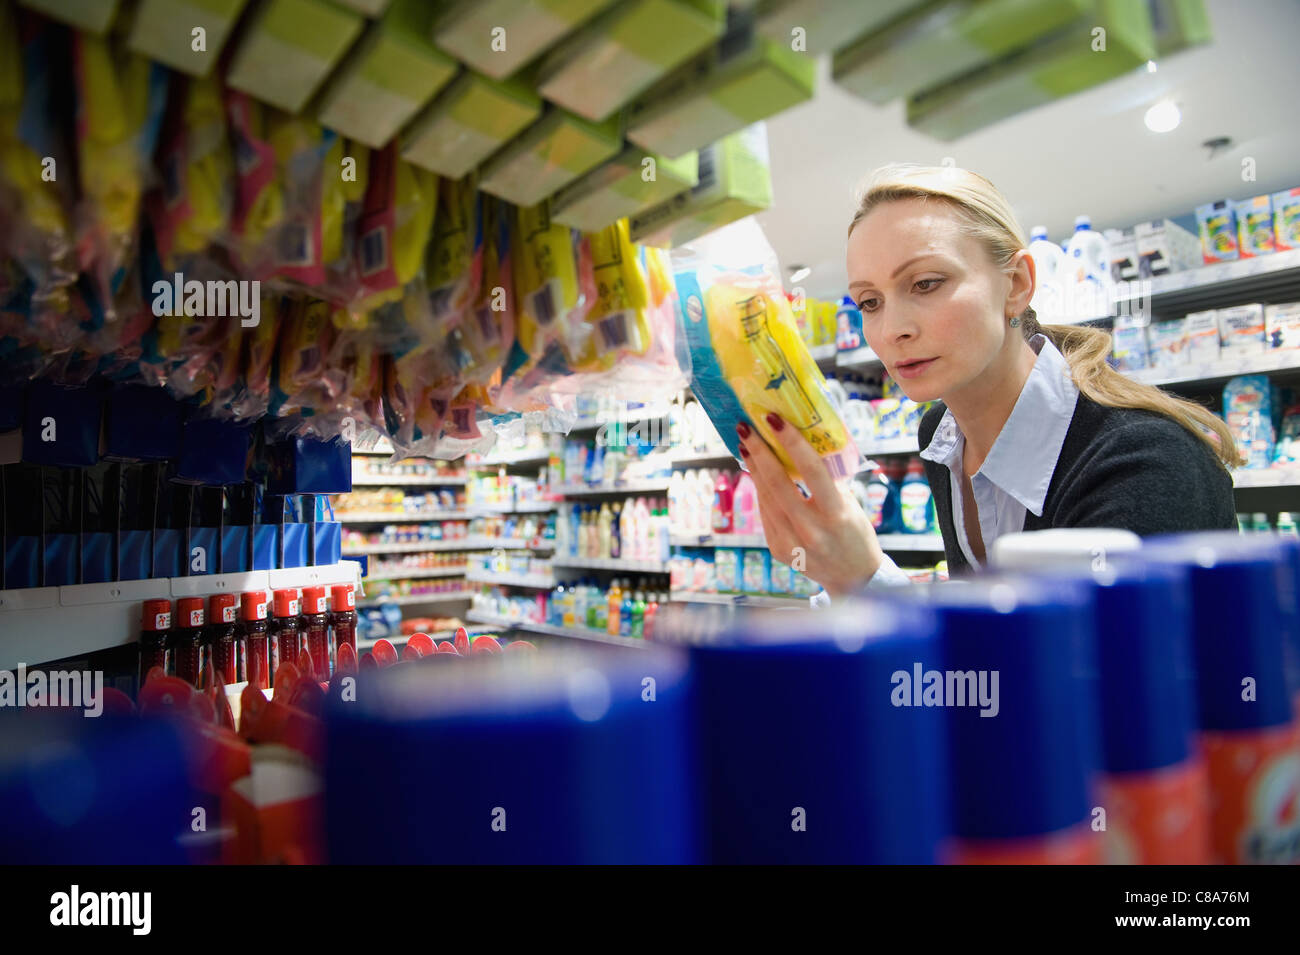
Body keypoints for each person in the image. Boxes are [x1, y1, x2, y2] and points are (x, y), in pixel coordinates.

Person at [736, 163, 1240, 598]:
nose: (892, 330)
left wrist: (864, 580)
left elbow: (1078, 692)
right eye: (870, 302)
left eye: (926, 283)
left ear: (1016, 284)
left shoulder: (1143, 460)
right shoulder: (940, 437)